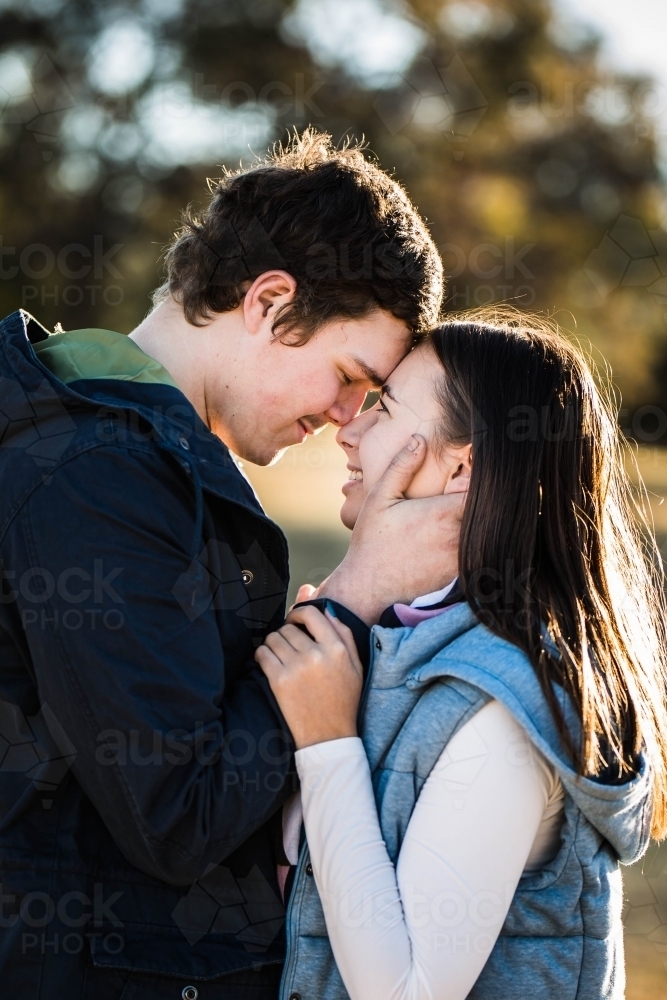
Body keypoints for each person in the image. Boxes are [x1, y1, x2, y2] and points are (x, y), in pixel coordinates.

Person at [0, 131, 464, 999]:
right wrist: (358, 593)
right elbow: (178, 816)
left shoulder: (124, 455)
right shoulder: (99, 476)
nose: (345, 417)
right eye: (347, 376)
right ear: (270, 302)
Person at [257, 312, 667, 1000]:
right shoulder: (395, 641)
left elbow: (405, 991)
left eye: (383, 407)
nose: (347, 429)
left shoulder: (506, 701)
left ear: (460, 464)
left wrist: (326, 742)